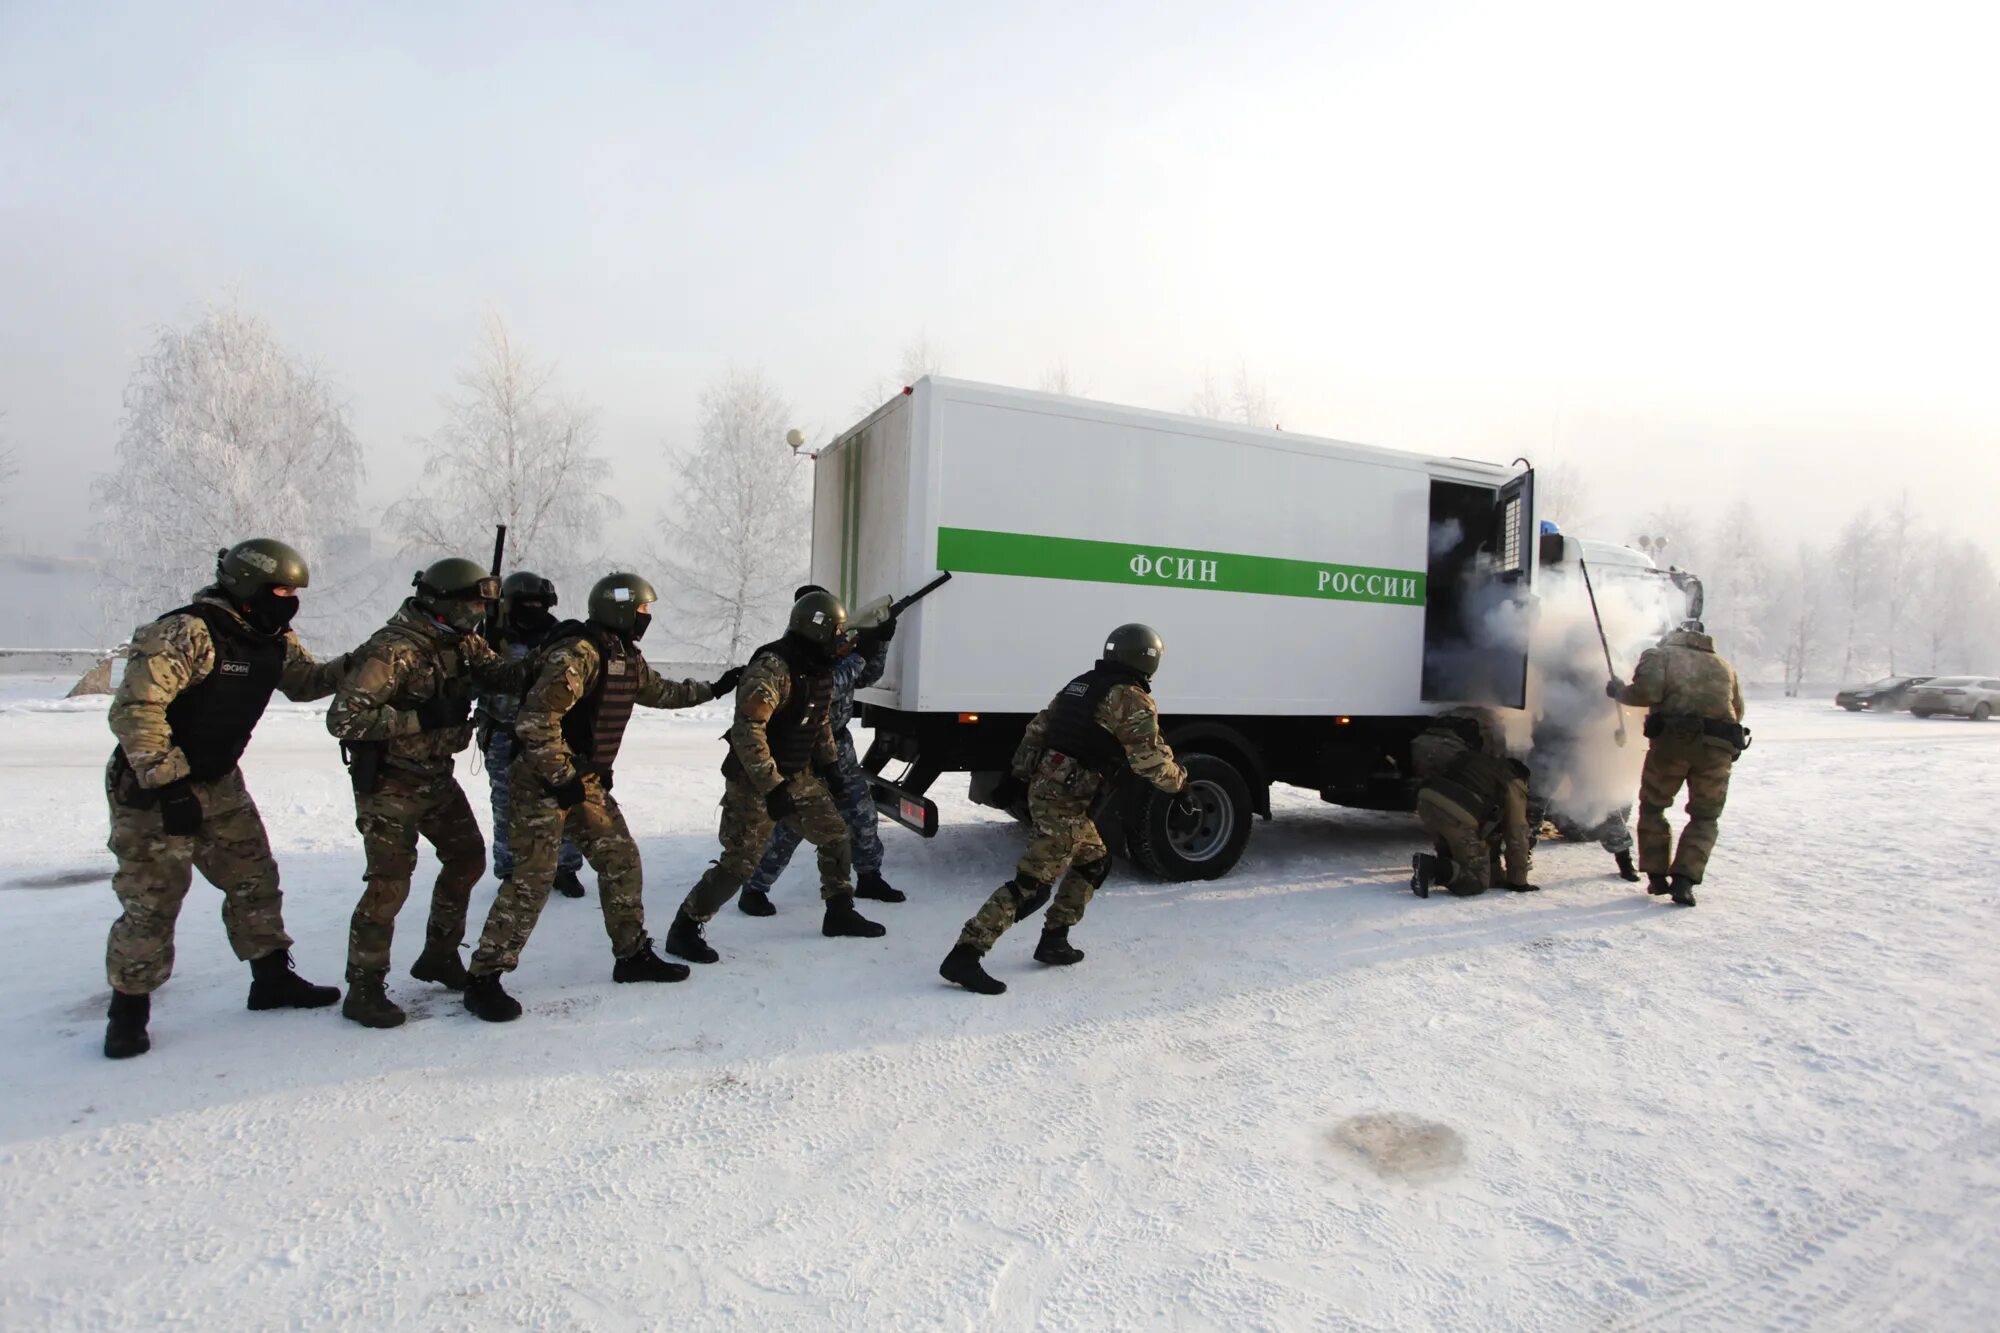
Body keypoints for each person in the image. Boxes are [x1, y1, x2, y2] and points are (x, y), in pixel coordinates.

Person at [100, 538, 348, 1060]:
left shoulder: (271, 636)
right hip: (152, 787)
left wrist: (368, 659)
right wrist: (167, 785)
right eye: (280, 589)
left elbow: (306, 682)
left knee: (254, 878)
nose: (290, 599)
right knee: (152, 899)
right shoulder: (186, 633)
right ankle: (128, 1011)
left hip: (219, 779)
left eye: (294, 591)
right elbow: (136, 712)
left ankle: (272, 980)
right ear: (247, 584)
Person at [463, 573, 740, 1020]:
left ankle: (631, 956)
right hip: (541, 780)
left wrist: (715, 688)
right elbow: (535, 721)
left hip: (581, 779)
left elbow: (661, 691)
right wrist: (560, 776)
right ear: (622, 609)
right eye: (643, 610)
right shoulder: (579, 654)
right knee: (532, 879)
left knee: (621, 859)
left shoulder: (622, 655)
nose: (648, 618)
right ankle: (483, 977)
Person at [325, 557, 523, 1029]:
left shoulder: (460, 641)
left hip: (435, 776)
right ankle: (365, 987)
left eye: (483, 604)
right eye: (472, 603)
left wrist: (548, 649)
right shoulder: (393, 650)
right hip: (391, 782)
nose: (478, 612)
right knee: (389, 884)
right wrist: (422, 719)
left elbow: (501, 674)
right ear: (443, 602)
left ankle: (439, 953)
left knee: (468, 857)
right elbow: (343, 719)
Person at [940, 624, 1187, 995]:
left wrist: (1018, 777)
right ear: (1147, 659)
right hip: (1065, 800)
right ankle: (965, 955)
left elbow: (1037, 729)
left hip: (1048, 788)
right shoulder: (1131, 699)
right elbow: (1148, 760)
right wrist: (1180, 782)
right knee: (1032, 885)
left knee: (1094, 861)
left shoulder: (1081, 685)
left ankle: (1054, 940)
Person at [664, 589, 885, 966]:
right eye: (835, 631)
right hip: (754, 782)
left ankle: (839, 911)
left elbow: (818, 722)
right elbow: (748, 732)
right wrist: (773, 787)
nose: (841, 639)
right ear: (815, 630)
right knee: (740, 862)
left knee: (835, 835)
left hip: (798, 775)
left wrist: (830, 766)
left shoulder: (820, 669)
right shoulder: (772, 668)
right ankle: (684, 928)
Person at [738, 583, 899, 917]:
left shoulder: (834, 639)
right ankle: (754, 888)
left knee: (861, 813)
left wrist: (880, 640)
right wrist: (858, 654)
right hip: (802, 748)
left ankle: (869, 876)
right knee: (790, 828)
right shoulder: (793, 652)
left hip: (838, 744)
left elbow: (867, 675)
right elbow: (833, 684)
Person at [1608, 619, 1748, 907]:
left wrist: (1619, 691)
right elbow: (1738, 711)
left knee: (1654, 806)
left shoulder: (1660, 656)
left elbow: (1647, 693)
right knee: (1705, 816)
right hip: (1717, 750)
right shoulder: (1724, 666)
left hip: (1673, 745)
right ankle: (1685, 882)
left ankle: (1657, 876)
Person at [476, 572, 587, 899]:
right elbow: (473, 684)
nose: (534, 609)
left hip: (551, 736)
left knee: (561, 801)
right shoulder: (491, 636)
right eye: (526, 604)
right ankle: (510, 870)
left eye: (540, 603)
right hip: (503, 734)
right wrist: (486, 648)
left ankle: (565, 868)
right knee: (505, 805)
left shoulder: (560, 637)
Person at [1409, 730, 1538, 898]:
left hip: (1426, 799)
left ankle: (1438, 869)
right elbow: (1517, 835)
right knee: (1476, 882)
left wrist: (1496, 874)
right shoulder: (1514, 781)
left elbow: (1489, 834)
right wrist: (1518, 882)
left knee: (1456, 854)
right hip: (1457, 810)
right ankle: (1431, 867)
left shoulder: (1484, 766)